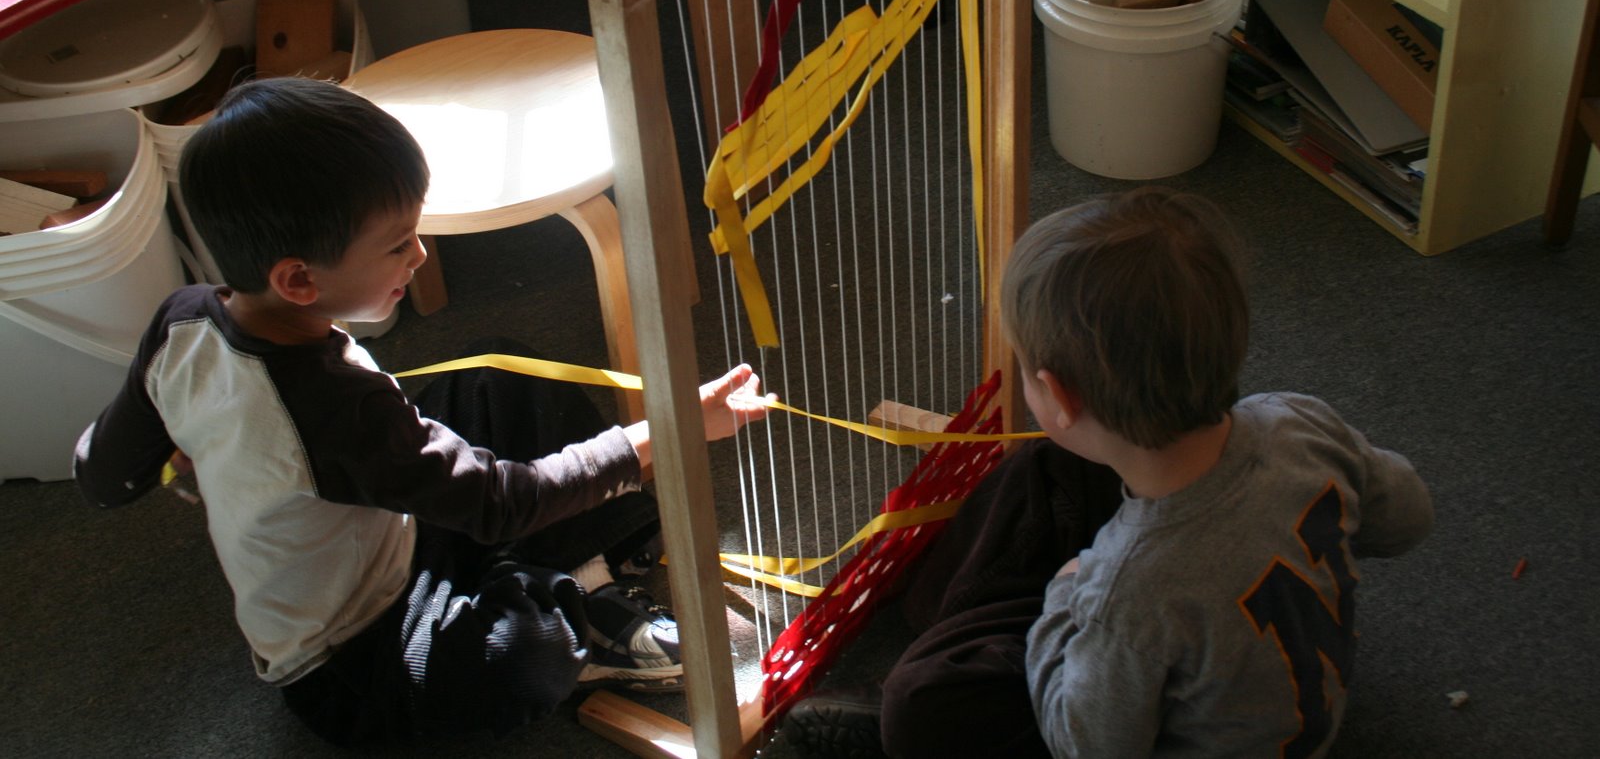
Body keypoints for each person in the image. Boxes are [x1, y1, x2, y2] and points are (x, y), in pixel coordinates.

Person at [73, 76, 770, 745]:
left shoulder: (181, 319)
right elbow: (502, 501)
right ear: (299, 279)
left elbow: (102, 476)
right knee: (519, 657)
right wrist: (672, 431)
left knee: (492, 376)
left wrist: (186, 445)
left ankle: (570, 568)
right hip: (351, 655)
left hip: (394, 522)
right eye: (397, 243)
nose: (419, 253)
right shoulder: (337, 408)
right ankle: (577, 598)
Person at [785, 186, 1432, 758]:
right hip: (1239, 665)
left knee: (920, 705)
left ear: (1057, 396)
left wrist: (1067, 597)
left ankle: (938, 651)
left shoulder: (1131, 591)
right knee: (1050, 463)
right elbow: (1407, 516)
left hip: (1127, 685)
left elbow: (1086, 743)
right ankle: (952, 629)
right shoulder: (1299, 421)